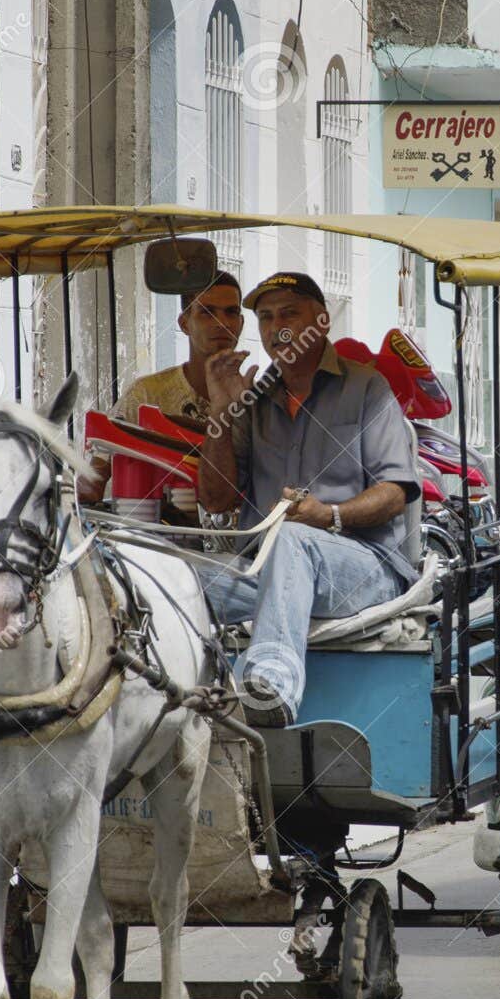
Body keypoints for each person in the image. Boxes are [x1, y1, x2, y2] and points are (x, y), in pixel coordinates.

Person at [195, 271, 420, 725]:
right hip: (269, 570)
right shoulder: (253, 398)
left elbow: (395, 492)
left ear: (320, 321)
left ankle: (271, 686)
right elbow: (217, 500)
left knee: (293, 539)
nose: (276, 327)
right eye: (265, 317)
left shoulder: (366, 388)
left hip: (363, 567)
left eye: (289, 314)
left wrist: (329, 515)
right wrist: (221, 410)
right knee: (172, 573)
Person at [76, 239, 244, 505]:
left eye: (231, 312)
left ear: (242, 323)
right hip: (157, 536)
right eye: (207, 313)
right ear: (184, 323)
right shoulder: (147, 394)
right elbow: (96, 471)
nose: (222, 324)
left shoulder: (256, 400)